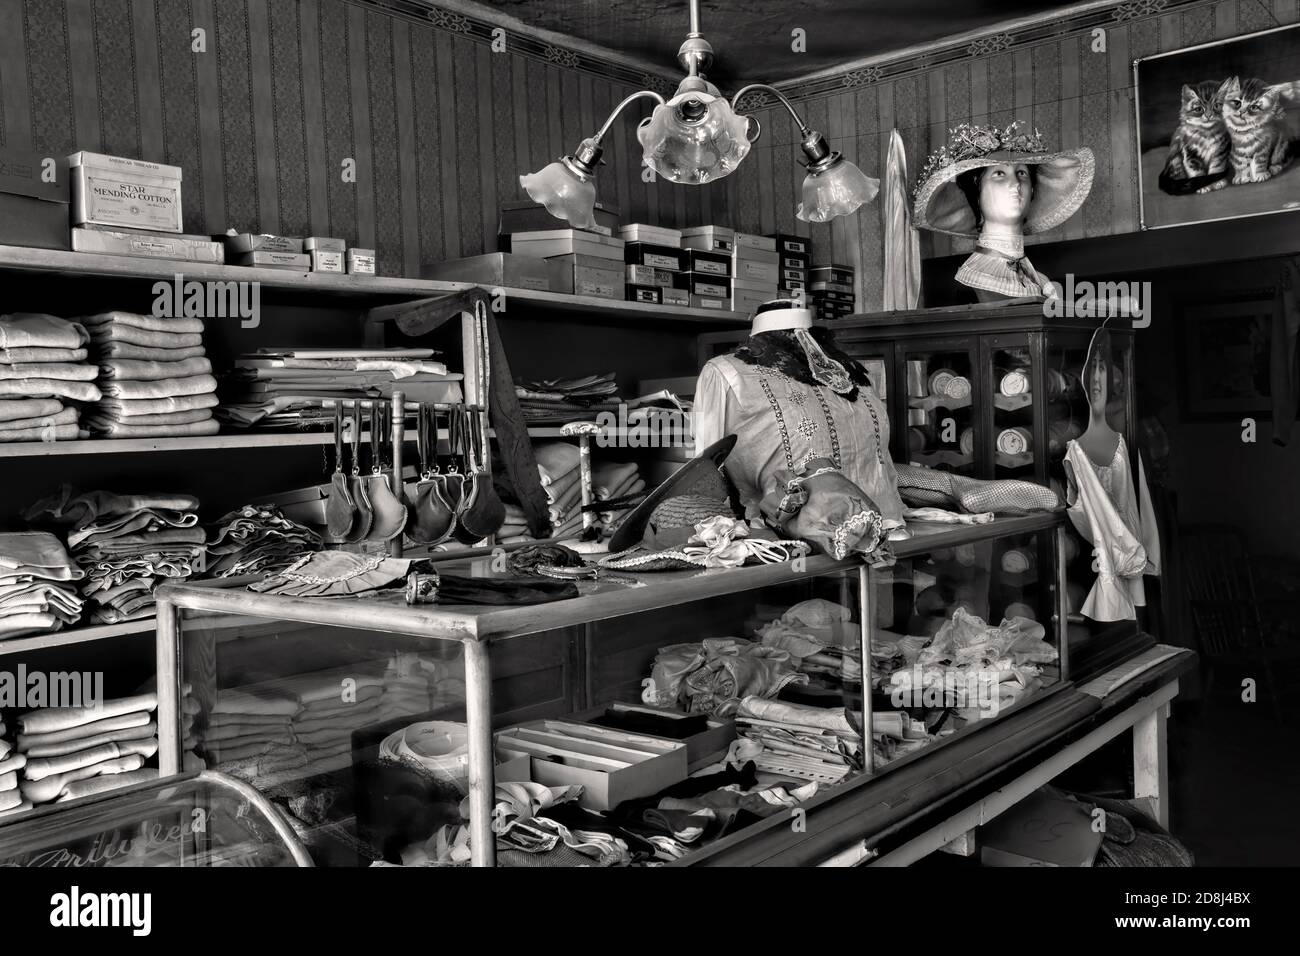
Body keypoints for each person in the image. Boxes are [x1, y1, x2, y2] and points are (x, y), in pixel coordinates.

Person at [692, 299, 908, 559]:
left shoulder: (852, 373)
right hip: (790, 541)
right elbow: (706, 465)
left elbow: (880, 458)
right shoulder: (727, 372)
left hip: (883, 530)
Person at [912, 122, 1094, 302]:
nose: (1015, 184)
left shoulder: (1041, 281)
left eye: (1022, 173)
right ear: (977, 194)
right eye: (999, 174)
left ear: (1031, 191)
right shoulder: (973, 279)